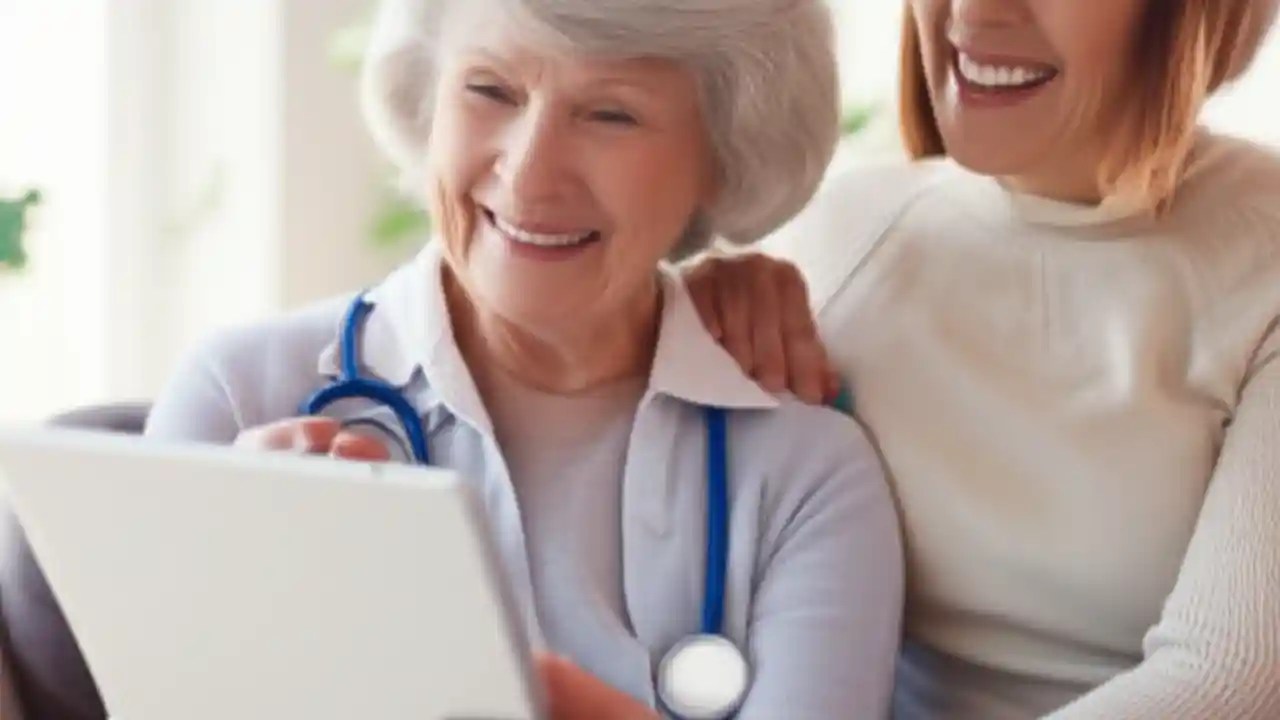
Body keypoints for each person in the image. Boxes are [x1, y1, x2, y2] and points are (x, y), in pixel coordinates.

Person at [0, 1, 904, 718]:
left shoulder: (808, 478)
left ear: (724, 154)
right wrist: (245, 617)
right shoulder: (240, 394)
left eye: (611, 113)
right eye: (491, 91)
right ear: (426, 101)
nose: (530, 171)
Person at [685, 0, 1280, 717]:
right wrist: (676, 319)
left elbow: (1235, 683)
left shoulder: (1261, 264)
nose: (972, 10)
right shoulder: (843, 238)